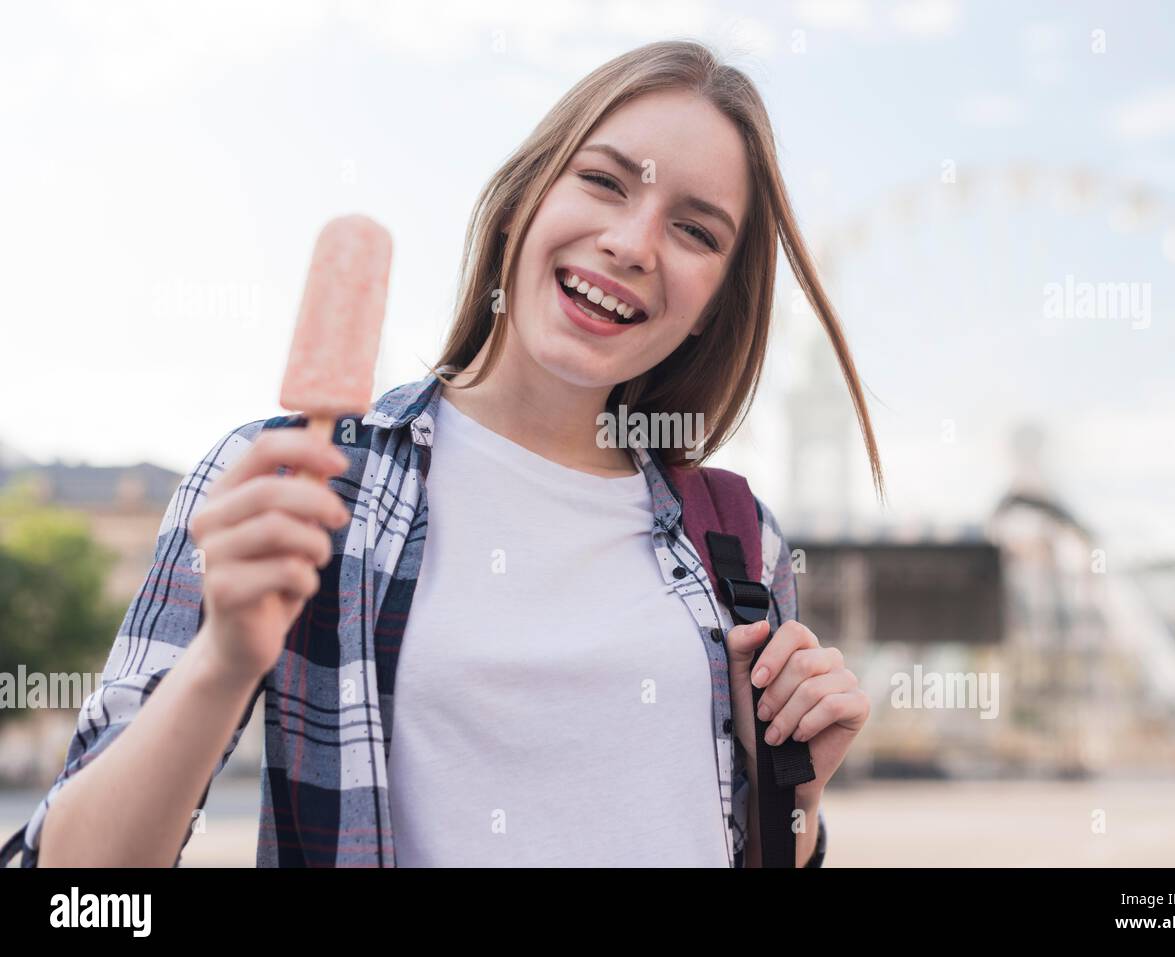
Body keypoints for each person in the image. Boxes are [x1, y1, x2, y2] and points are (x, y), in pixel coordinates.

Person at [3, 39, 884, 869]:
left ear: (714, 305)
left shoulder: (736, 540)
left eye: (696, 231)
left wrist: (793, 798)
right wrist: (223, 661)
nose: (633, 242)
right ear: (524, 199)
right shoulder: (290, 482)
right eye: (604, 182)